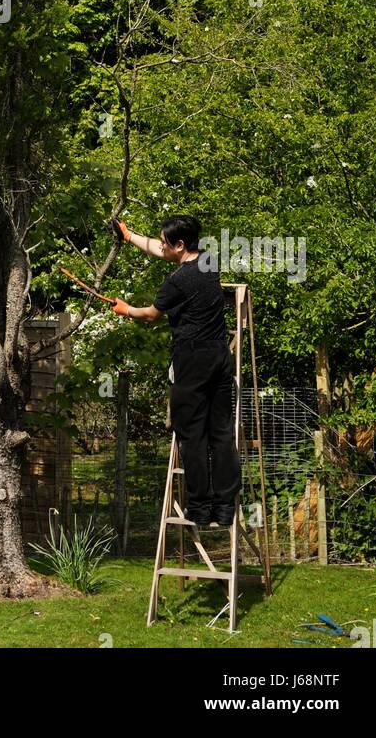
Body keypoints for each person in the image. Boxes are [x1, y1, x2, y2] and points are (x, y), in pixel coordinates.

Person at [109, 213, 241, 529]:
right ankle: (224, 510)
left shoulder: (177, 281)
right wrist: (129, 237)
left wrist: (126, 309)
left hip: (192, 360)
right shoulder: (208, 261)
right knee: (221, 433)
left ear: (179, 245)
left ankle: (198, 508)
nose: (161, 246)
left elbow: (152, 315)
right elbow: (158, 248)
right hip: (220, 356)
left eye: (166, 242)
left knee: (192, 435)